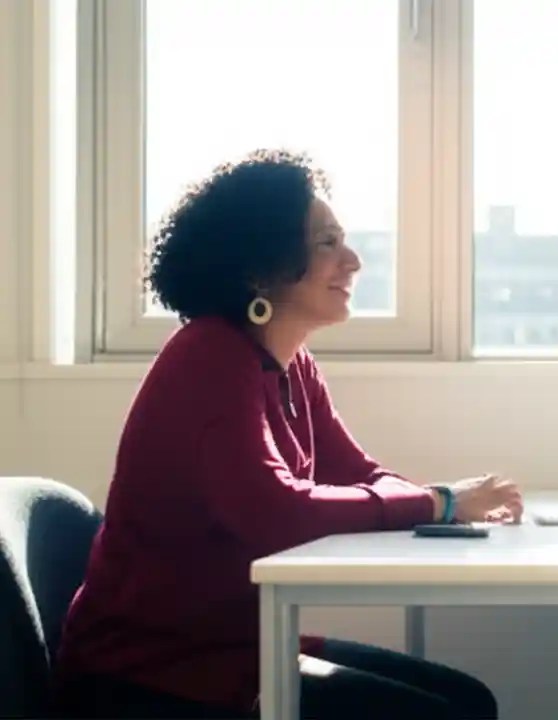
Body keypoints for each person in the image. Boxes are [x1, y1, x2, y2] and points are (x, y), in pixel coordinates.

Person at [54, 149, 521, 719]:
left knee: (467, 701)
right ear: (260, 264)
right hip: (150, 673)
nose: (352, 261)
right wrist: (441, 502)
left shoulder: (289, 362)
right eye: (327, 243)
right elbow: (276, 509)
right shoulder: (208, 357)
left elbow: (357, 474)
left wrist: (446, 509)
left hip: (239, 648)